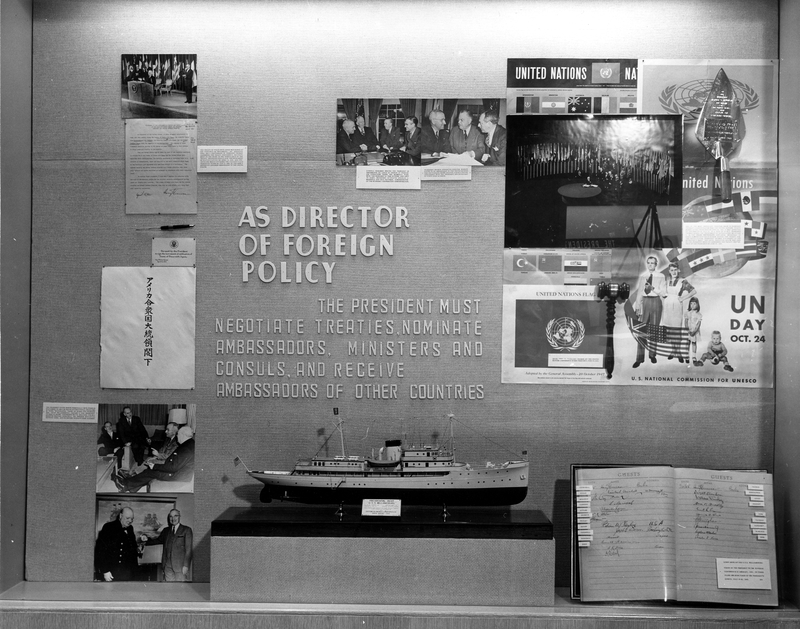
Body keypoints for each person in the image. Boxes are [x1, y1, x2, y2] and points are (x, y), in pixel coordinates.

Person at [113, 425, 195, 493]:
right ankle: (131, 487)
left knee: (150, 472)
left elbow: (173, 467)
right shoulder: (189, 444)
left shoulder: (186, 448)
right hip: (178, 472)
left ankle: (125, 485)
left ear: (183, 435)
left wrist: (155, 466)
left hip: (177, 476)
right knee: (148, 471)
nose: (177, 437)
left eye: (178, 435)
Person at [632, 255, 666, 368]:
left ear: (656, 264)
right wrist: (638, 307)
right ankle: (639, 358)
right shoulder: (643, 276)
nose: (650, 265)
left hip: (656, 303)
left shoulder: (661, 276)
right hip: (645, 302)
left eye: (653, 263)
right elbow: (639, 292)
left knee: (654, 330)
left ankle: (652, 355)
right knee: (641, 330)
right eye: (649, 263)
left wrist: (652, 288)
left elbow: (663, 293)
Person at [142, 509, 193, 582]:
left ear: (179, 517)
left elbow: (189, 550)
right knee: (169, 589)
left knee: (179, 590)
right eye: (171, 517)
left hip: (180, 567)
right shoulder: (166, 530)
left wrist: (186, 565)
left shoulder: (186, 530)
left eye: (175, 516)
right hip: (167, 567)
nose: (173, 519)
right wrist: (146, 539)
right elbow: (157, 540)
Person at [661, 262, 696, 362]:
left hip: (676, 305)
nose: (674, 272)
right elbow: (663, 293)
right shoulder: (667, 281)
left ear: (678, 270)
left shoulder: (682, 281)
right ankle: (673, 351)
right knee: (670, 329)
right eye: (671, 270)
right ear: (669, 271)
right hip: (667, 306)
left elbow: (693, 291)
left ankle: (678, 352)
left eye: (675, 270)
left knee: (676, 328)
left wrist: (683, 298)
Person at [95, 507, 141, 582]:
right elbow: (100, 551)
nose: (130, 521)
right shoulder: (109, 527)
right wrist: (105, 571)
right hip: (112, 572)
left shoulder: (130, 529)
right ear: (120, 516)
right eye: (127, 518)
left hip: (128, 573)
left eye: (132, 519)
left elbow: (132, 549)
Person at [684, 297, 703, 367]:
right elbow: (686, 321)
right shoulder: (687, 313)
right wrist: (687, 329)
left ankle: (694, 357)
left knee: (694, 343)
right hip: (688, 331)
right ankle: (686, 355)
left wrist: (694, 331)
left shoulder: (698, 314)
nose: (692, 305)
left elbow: (698, 324)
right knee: (687, 343)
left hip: (694, 331)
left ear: (697, 305)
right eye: (691, 303)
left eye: (694, 304)